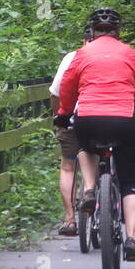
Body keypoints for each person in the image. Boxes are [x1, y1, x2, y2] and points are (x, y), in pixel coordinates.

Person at [53, 8, 135, 261]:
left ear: (92, 31)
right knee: (131, 181)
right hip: (124, 120)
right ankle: (131, 239)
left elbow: (68, 88)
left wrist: (63, 115)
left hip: (89, 119)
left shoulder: (82, 55)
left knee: (85, 146)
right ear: (118, 31)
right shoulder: (129, 53)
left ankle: (90, 190)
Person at [49, 27, 92, 236]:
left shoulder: (72, 58)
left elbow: (56, 92)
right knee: (99, 160)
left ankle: (70, 219)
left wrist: (59, 117)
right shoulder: (118, 55)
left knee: (68, 167)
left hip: (73, 119)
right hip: (108, 119)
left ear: (83, 40)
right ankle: (96, 196)